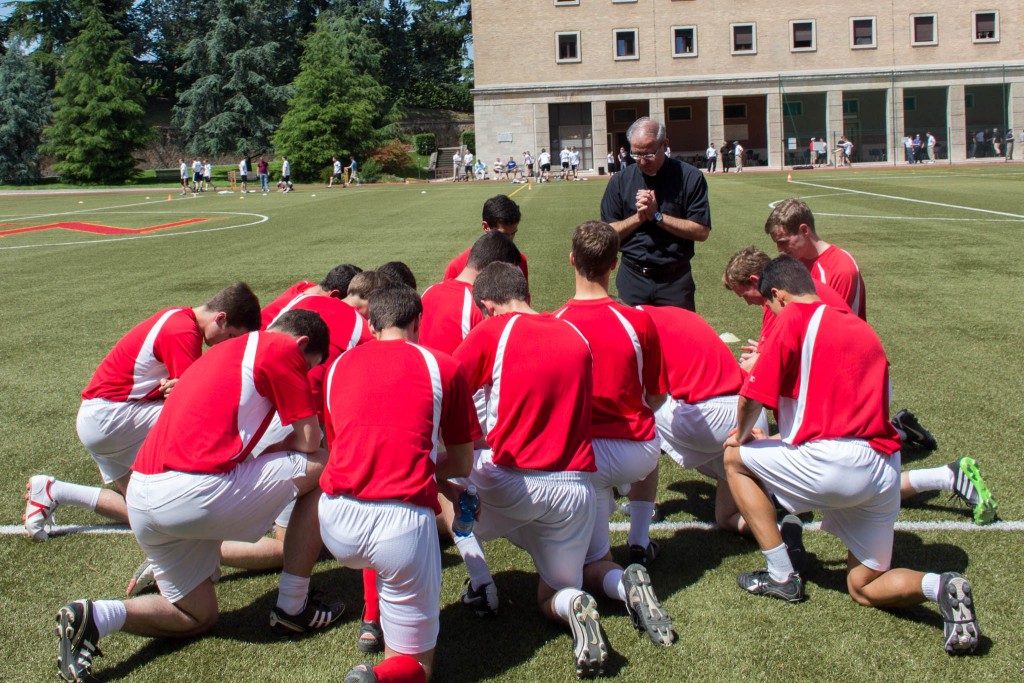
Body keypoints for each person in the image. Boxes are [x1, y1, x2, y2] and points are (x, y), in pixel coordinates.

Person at [53, 310, 342, 683]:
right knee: (325, 463)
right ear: (301, 343)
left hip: (142, 494)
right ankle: (293, 605)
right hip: (192, 492)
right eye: (308, 366)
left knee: (196, 615)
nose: (304, 374)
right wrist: (280, 451)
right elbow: (309, 441)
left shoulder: (220, 351)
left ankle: (94, 616)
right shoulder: (282, 348)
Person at [722, 255, 981, 656]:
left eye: (769, 305)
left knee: (734, 460)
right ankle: (940, 585)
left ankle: (781, 575)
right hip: (884, 468)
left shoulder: (794, 317)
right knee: (864, 586)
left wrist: (740, 437)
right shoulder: (859, 328)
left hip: (836, 464)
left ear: (779, 295)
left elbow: (751, 397)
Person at [722, 246, 997, 524]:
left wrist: (755, 370)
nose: (746, 303)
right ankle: (941, 469)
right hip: (861, 387)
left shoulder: (785, 304)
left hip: (847, 393)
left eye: (742, 294)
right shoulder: (800, 292)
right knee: (860, 481)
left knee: (845, 483)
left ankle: (781, 543)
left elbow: (767, 376)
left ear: (758, 283)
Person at [452, 262, 606, 676]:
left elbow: (445, 387)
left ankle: (481, 583)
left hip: (512, 478)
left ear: (487, 305)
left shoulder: (493, 330)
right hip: (575, 487)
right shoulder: (575, 333)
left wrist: (470, 439)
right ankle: (574, 603)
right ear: (527, 295)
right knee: (552, 595)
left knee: (440, 480)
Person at [321, 286, 481, 683]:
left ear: (371, 325)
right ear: (418, 323)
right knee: (417, 666)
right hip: (401, 523)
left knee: (380, 561)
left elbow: (341, 449)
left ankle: (371, 616)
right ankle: (376, 676)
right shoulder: (442, 365)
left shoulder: (336, 367)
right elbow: (462, 462)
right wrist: (433, 475)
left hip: (335, 517)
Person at [24, 284, 262, 540]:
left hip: (100, 418)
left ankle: (53, 491)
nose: (227, 345)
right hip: (112, 418)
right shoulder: (183, 330)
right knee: (213, 417)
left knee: (142, 512)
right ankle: (253, 489)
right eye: (231, 337)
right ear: (220, 318)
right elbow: (194, 402)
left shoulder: (177, 318)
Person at [553, 222, 675, 648]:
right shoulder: (637, 320)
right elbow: (656, 396)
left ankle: (618, 582)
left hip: (582, 461)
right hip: (636, 452)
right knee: (648, 439)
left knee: (589, 562)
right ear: (615, 264)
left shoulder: (556, 324)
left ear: (572, 260)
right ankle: (639, 544)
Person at [639, 301, 768, 533]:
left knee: (637, 412)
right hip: (750, 411)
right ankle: (783, 532)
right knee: (727, 517)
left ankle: (642, 509)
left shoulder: (635, 326)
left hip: (710, 418)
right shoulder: (676, 313)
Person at [599, 116, 711, 311]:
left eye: (649, 154)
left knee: (677, 330)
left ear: (665, 145)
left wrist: (658, 216)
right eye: (636, 154)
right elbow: (607, 232)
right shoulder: (620, 181)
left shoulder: (689, 177)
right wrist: (639, 217)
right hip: (632, 277)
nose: (642, 161)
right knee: (632, 330)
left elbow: (701, 231)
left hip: (675, 279)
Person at [442, 195, 528, 284]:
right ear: (486, 227)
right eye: (503, 235)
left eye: (513, 233)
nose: (510, 241)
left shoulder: (520, 261)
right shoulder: (457, 267)